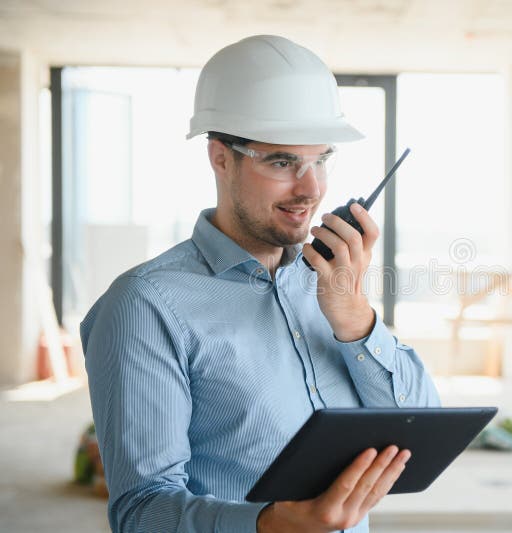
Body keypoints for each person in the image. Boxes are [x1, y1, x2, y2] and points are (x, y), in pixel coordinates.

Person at [81, 35, 440, 533]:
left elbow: (419, 434)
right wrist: (272, 524)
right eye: (281, 161)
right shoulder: (146, 305)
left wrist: (357, 320)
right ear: (220, 157)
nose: (311, 189)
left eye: (320, 160)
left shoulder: (331, 281)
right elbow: (142, 513)